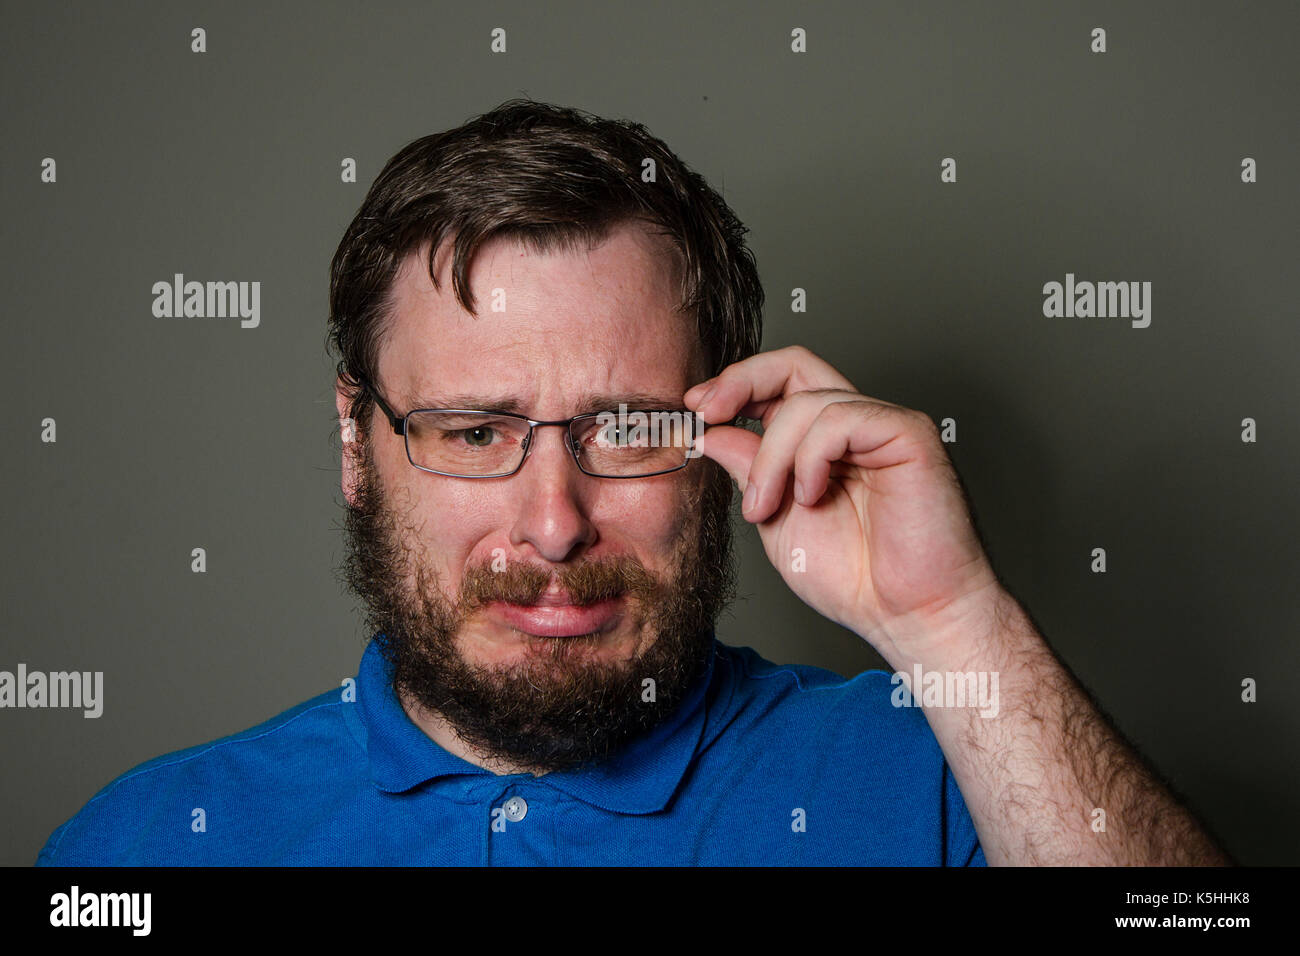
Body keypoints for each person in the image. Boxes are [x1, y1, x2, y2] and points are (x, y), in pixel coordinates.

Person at [37, 98, 1230, 866]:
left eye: (627, 427)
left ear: (731, 426)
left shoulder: (940, 775)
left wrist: (949, 618)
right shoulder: (145, 845)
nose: (554, 523)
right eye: (469, 430)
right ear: (358, 441)